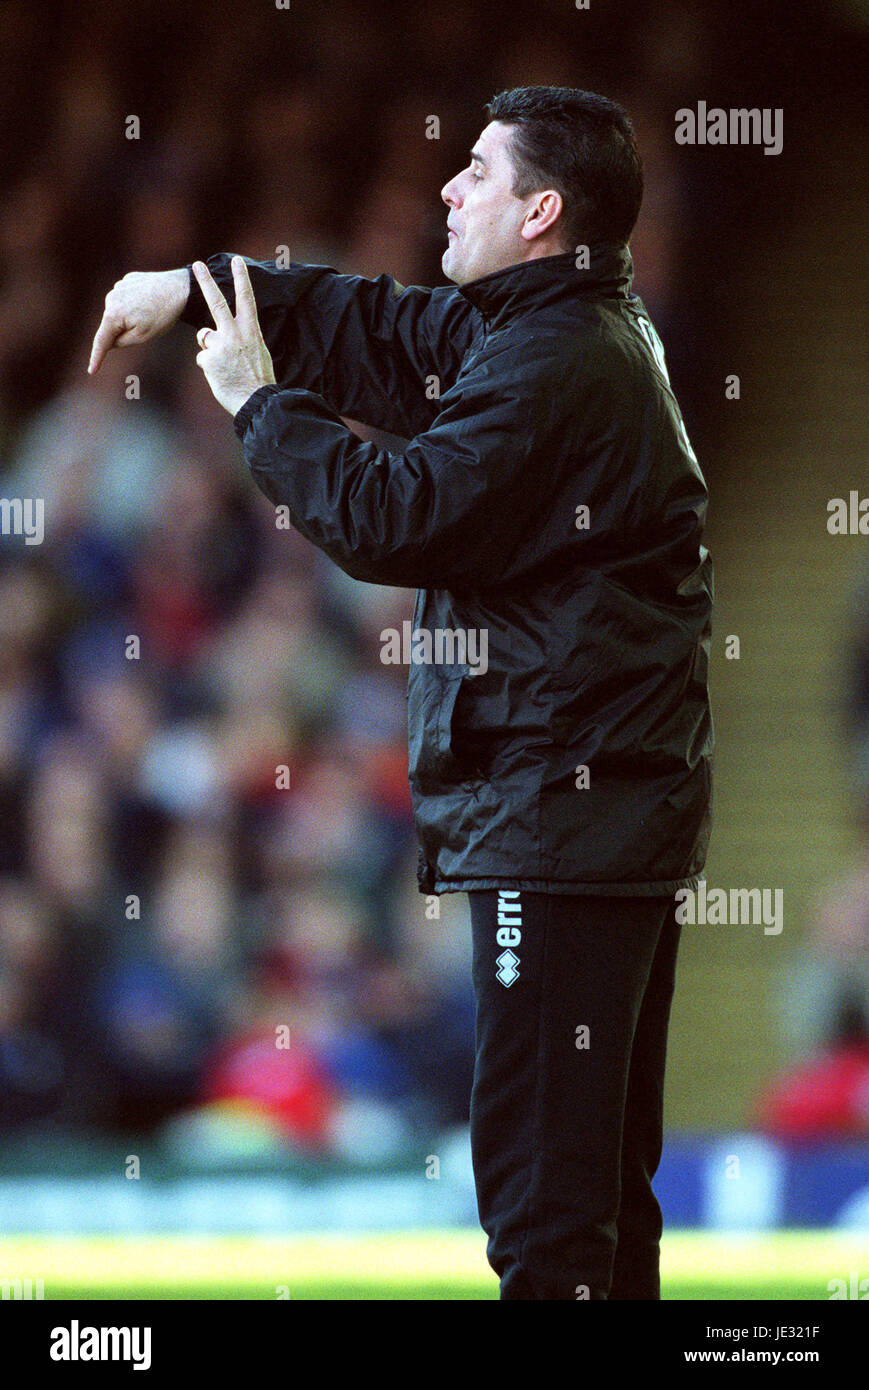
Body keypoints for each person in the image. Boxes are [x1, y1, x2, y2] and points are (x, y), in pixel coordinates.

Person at [89, 85, 713, 1300]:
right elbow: (375, 327)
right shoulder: (552, 327)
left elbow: (395, 515)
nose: (446, 185)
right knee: (592, 1201)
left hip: (561, 829)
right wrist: (201, 283)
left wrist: (252, 400)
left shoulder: (553, 362)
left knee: (544, 1212)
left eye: (475, 171)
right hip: (599, 823)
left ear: (539, 210)